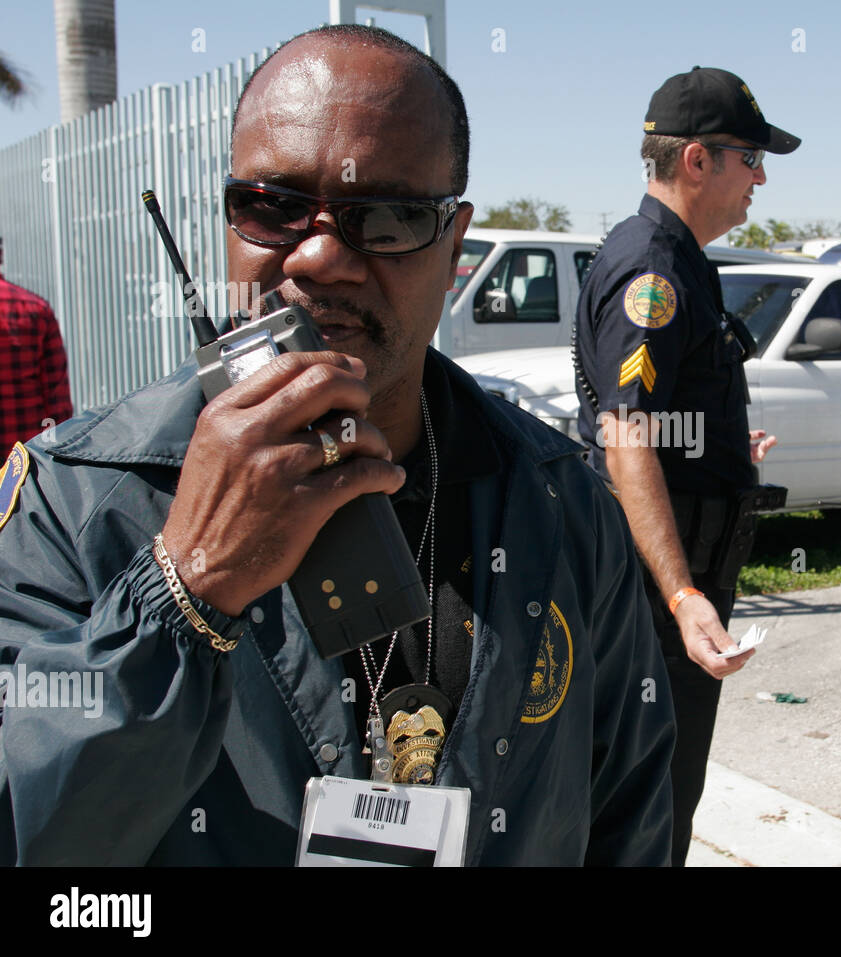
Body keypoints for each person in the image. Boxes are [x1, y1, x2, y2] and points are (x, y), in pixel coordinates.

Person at [0, 25, 674, 866]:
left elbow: (631, 822)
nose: (320, 256)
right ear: (227, 222)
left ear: (455, 243)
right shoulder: (76, 504)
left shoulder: (560, 503)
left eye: (385, 218)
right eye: (273, 206)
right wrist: (187, 587)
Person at [573, 66, 798, 866]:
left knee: (663, 796)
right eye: (750, 158)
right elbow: (625, 433)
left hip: (672, 583)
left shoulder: (681, 259)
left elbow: (660, 422)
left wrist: (718, 450)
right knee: (649, 812)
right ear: (697, 160)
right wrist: (680, 592)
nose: (760, 177)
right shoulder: (654, 272)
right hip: (656, 600)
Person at [0, 239, 74, 454]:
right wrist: (53, 447)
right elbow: (56, 400)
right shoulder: (35, 309)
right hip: (23, 462)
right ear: (2, 255)